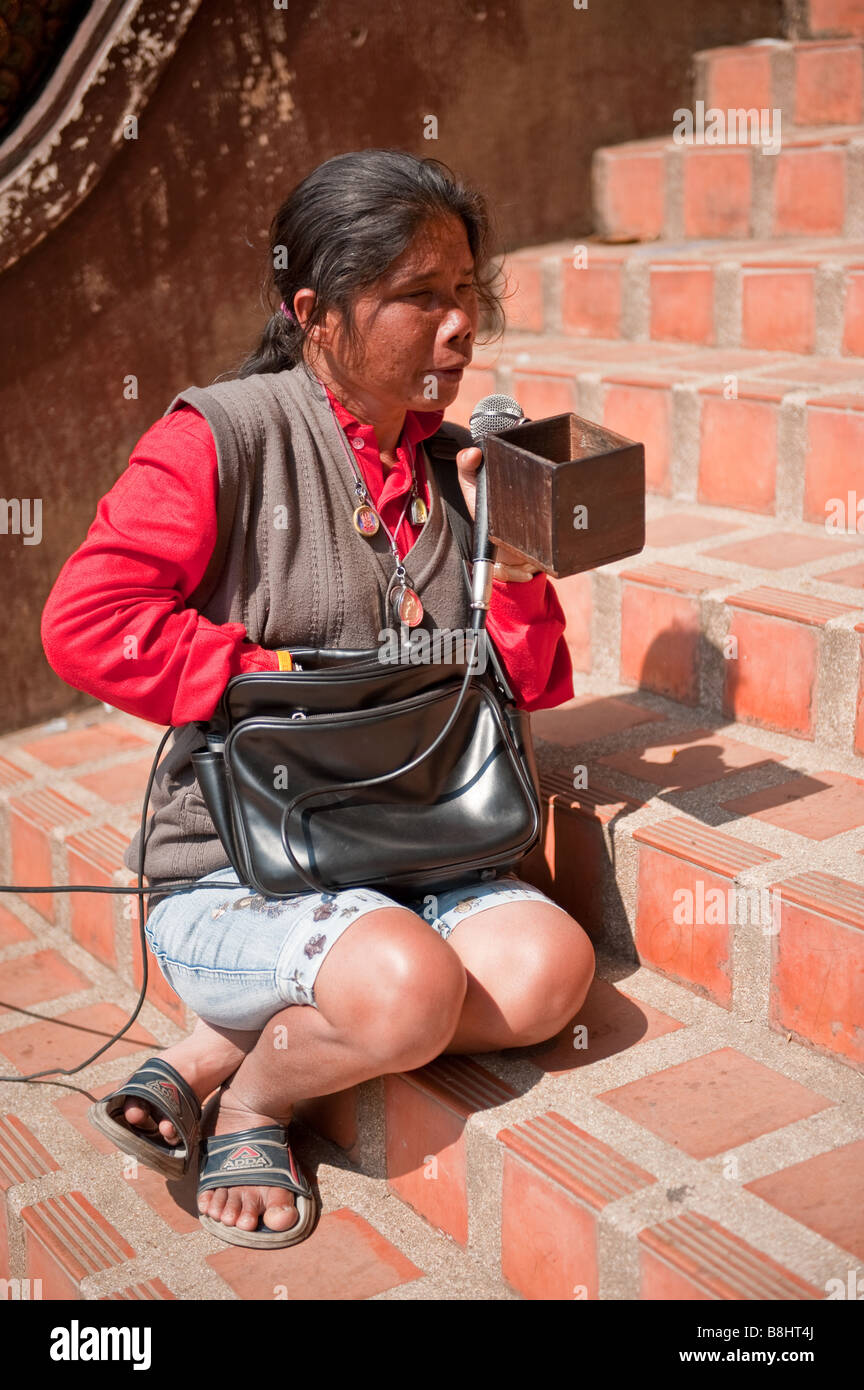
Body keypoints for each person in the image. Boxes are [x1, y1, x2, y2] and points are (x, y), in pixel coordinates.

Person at [40, 148, 595, 1250]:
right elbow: (84, 622)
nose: (459, 329)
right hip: (242, 874)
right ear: (318, 313)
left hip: (423, 852)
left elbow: (530, 685)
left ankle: (210, 1051)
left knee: (548, 979)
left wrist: (516, 568)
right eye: (418, 298)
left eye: (465, 295)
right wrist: (272, 680)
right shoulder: (222, 438)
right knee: (404, 991)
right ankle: (259, 1100)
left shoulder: (458, 472)